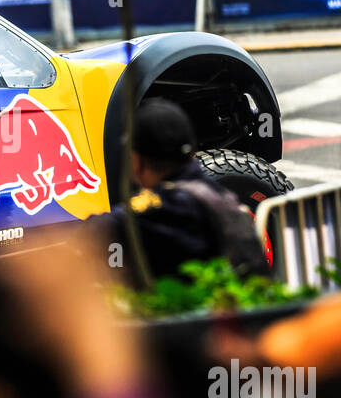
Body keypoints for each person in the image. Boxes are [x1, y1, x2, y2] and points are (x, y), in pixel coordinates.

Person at [89, 98, 267, 283]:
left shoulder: (169, 206)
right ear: (192, 152)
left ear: (137, 162)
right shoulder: (220, 194)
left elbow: (96, 231)